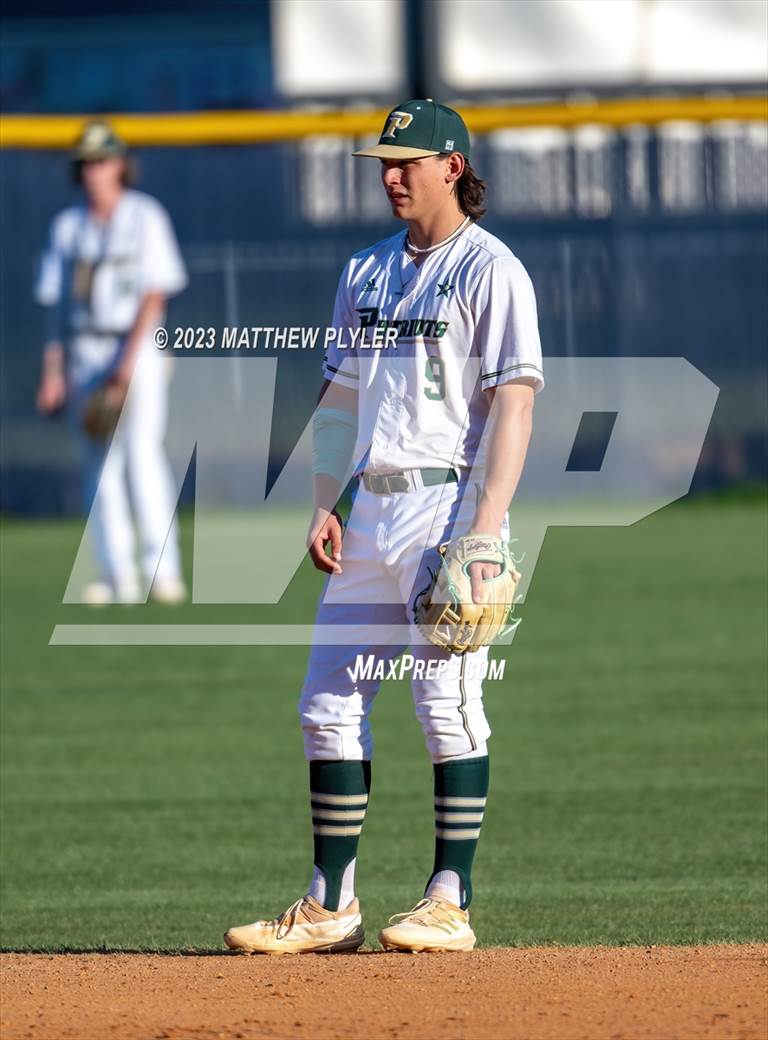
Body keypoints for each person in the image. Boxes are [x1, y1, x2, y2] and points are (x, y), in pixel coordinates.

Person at [225, 99, 544, 954]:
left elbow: (514, 404)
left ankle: (450, 898)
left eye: (406, 161)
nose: (391, 176)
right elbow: (339, 396)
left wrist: (485, 531)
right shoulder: (365, 269)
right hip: (368, 511)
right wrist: (325, 500)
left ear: (452, 166)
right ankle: (331, 904)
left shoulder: (491, 269)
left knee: (446, 704)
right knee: (327, 703)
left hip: (448, 507)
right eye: (382, 163)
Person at [35, 120, 188, 605]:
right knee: (98, 463)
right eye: (86, 163)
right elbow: (56, 306)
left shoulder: (145, 216)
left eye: (101, 161)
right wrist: (53, 371)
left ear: (121, 164)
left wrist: (126, 362)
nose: (93, 172)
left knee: (143, 454)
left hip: (136, 348)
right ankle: (115, 572)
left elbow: (155, 291)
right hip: (85, 349)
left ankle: (161, 571)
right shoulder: (68, 227)